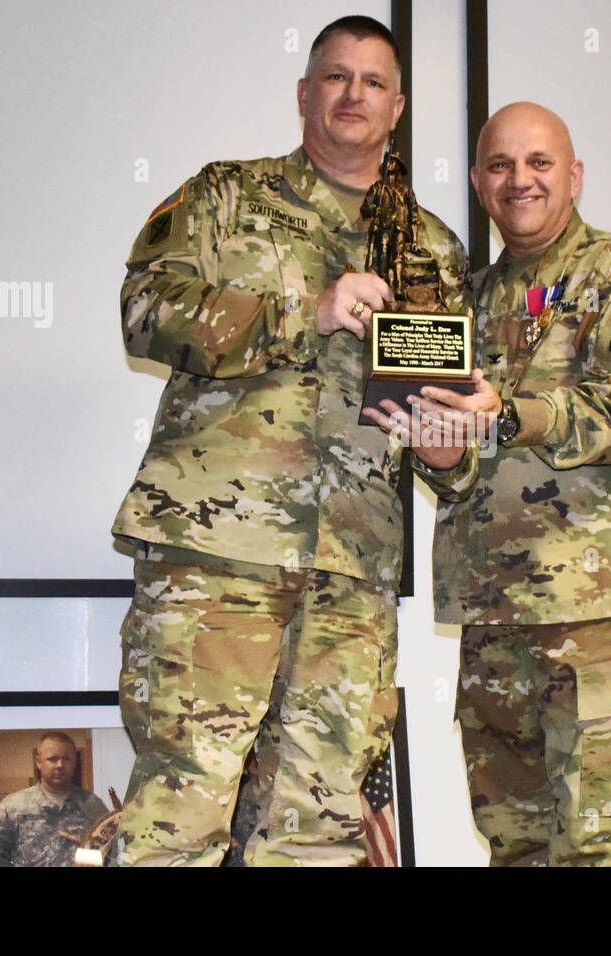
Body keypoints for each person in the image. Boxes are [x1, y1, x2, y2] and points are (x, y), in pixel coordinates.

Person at [110, 15, 466, 866]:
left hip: (353, 571)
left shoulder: (434, 250)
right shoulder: (224, 195)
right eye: (335, 77)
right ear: (304, 94)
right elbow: (145, 313)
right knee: (179, 814)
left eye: (373, 82)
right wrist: (303, 310)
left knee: (319, 828)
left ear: (398, 106)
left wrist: (451, 444)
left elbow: (448, 434)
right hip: (215, 552)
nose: (353, 95)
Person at [365, 102, 611, 866]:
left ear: (573, 177)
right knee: (515, 849)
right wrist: (442, 455)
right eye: (502, 166)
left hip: (600, 618)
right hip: (493, 622)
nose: (522, 180)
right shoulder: (464, 303)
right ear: (480, 183)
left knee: (601, 848)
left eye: (540, 163)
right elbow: (458, 461)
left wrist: (504, 413)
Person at [0, 732, 109, 867]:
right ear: (39, 762)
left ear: (74, 762)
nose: (60, 765)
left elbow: (108, 853)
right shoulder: (11, 807)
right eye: (52, 759)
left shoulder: (93, 805)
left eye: (66, 759)